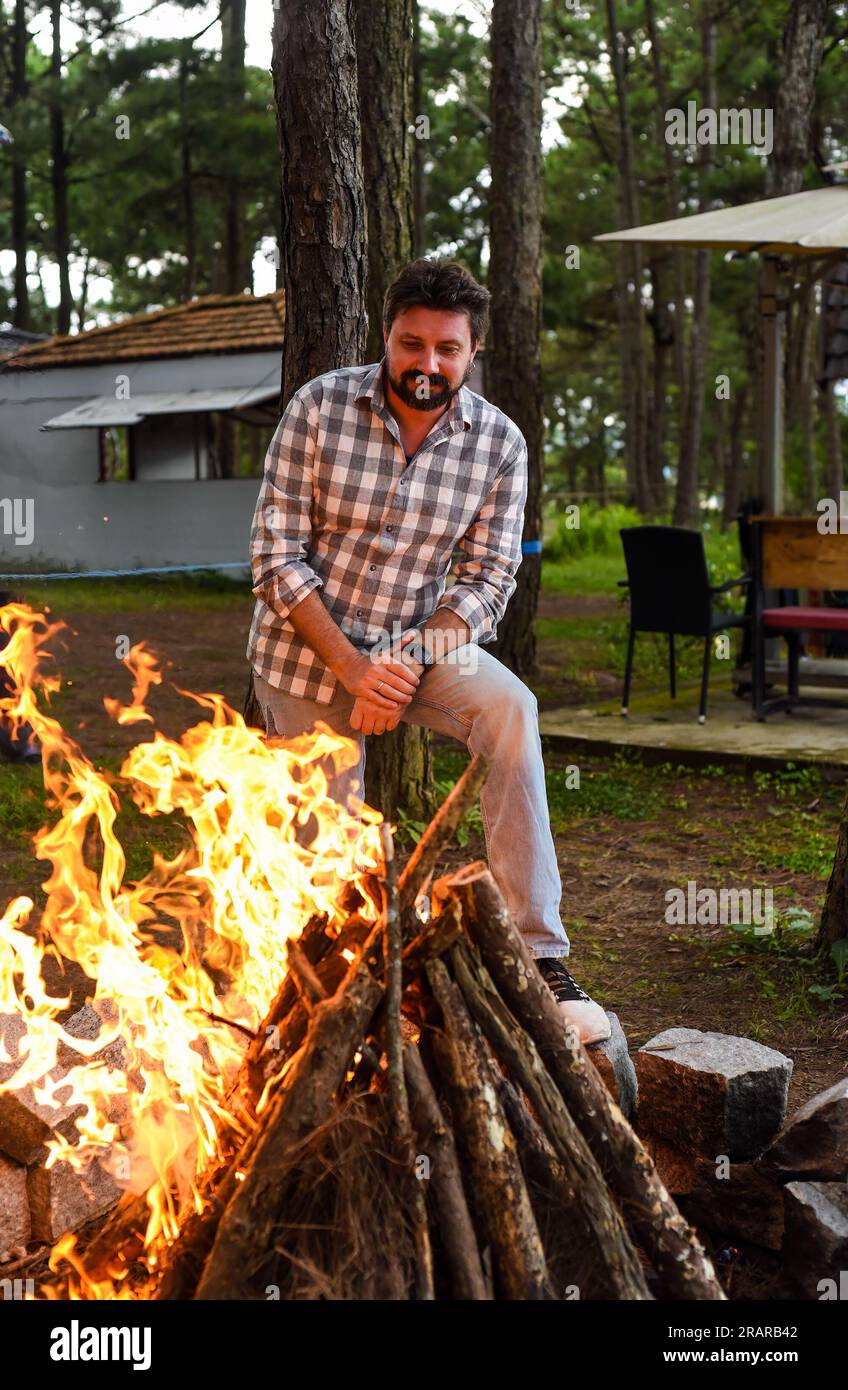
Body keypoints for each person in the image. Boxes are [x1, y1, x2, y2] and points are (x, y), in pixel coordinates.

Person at [246, 257, 610, 1047]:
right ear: (386, 336)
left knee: (512, 707)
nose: (428, 364)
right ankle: (325, 1002)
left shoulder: (500, 445)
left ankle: (538, 950)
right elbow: (275, 557)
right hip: (307, 659)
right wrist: (354, 670)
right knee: (327, 879)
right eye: (412, 344)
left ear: (472, 351)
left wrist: (404, 662)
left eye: (447, 349)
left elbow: (488, 580)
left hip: (421, 646)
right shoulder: (317, 407)